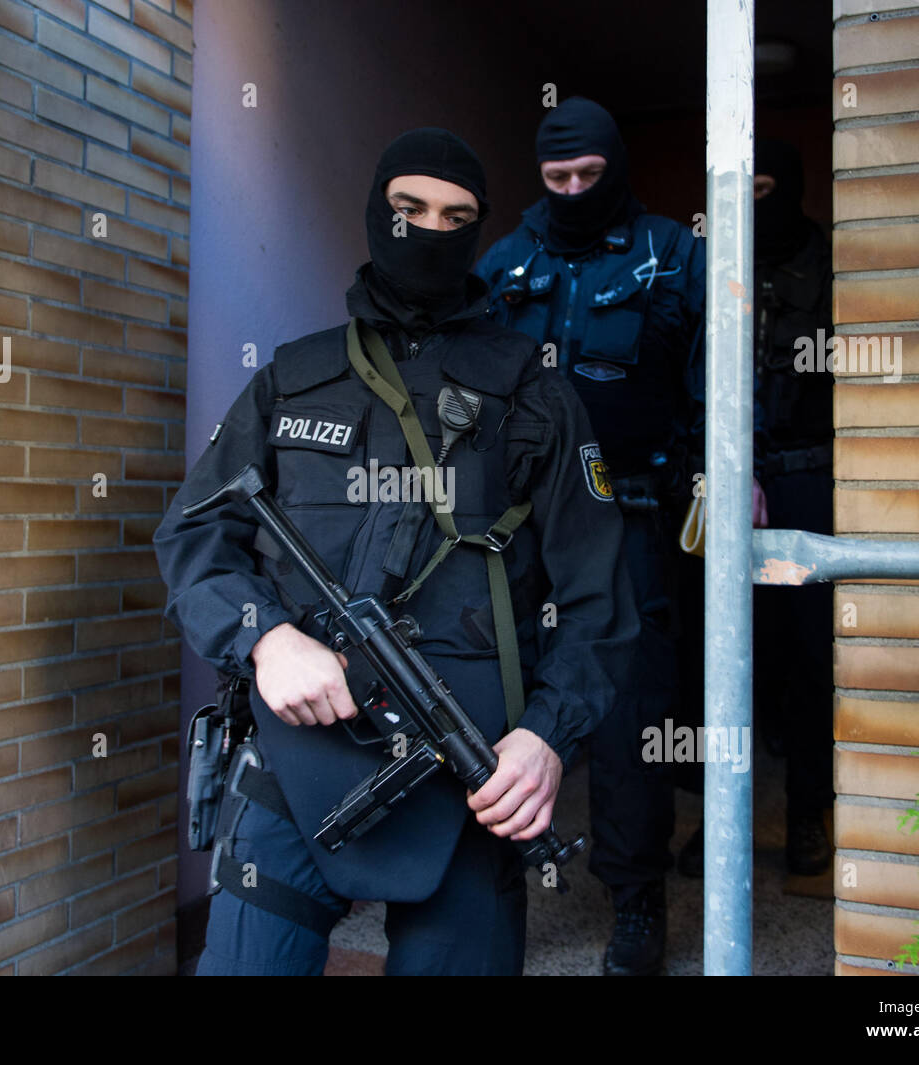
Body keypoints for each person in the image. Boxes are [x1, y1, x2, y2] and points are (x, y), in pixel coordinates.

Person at [154, 127, 638, 976]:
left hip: (471, 766)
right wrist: (265, 636)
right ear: (377, 214)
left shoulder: (532, 391)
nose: (429, 230)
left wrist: (546, 739)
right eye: (408, 209)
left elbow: (600, 599)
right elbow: (195, 530)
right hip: (300, 749)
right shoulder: (292, 377)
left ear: (481, 230)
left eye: (456, 216)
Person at [475, 97, 707, 977]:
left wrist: (731, 472)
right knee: (500, 689)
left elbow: (713, 381)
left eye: (589, 176)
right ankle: (486, 878)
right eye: (556, 178)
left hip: (633, 515)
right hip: (522, 519)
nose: (572, 190)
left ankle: (636, 896)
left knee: (628, 711)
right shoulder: (505, 262)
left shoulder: (672, 255)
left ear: (616, 168)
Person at [749, 136, 835, 875]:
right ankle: (724, 817)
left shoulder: (833, 268)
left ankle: (808, 811)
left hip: (809, 482)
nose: (754, 203)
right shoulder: (720, 270)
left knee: (812, 657)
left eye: (766, 186)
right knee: (728, 654)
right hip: (732, 485)